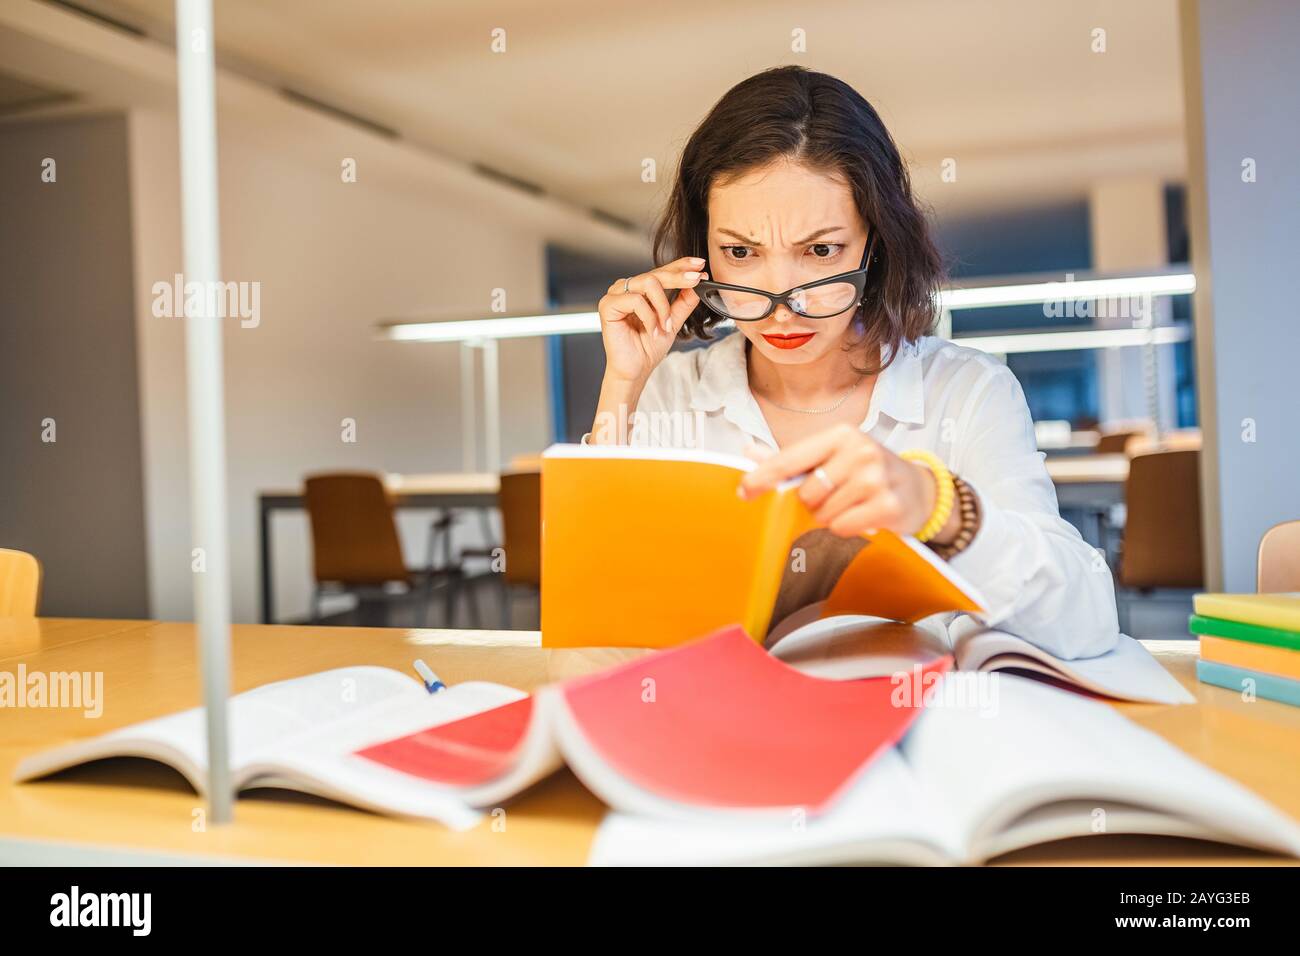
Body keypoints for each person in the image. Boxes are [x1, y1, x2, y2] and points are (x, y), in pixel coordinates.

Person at [585, 65, 1118, 659]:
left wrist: (938, 509)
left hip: (919, 729)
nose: (785, 303)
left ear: (876, 239)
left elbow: (1085, 620)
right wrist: (623, 388)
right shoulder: (671, 392)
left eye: (820, 250)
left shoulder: (966, 391)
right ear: (702, 251)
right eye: (740, 252)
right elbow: (593, 626)